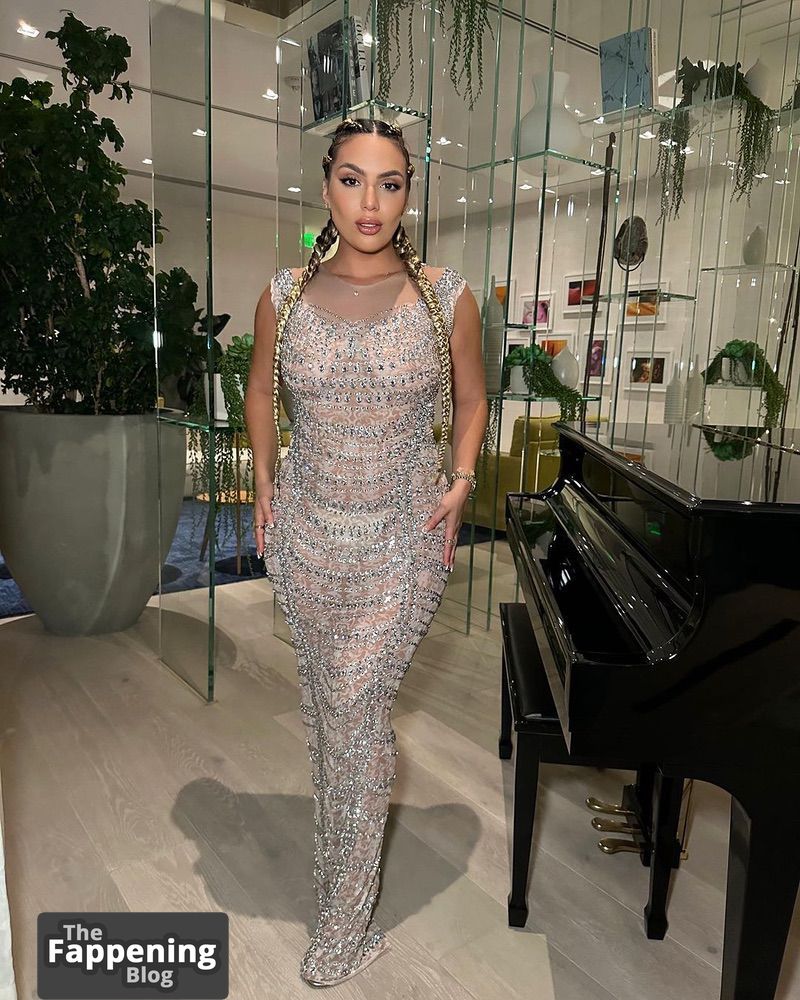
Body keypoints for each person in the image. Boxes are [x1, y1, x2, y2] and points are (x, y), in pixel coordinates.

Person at [244, 117, 487, 987]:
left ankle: (345, 923)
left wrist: (462, 477)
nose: (370, 202)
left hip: (403, 539)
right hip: (308, 537)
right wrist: (263, 478)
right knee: (329, 711)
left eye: (390, 183)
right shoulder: (282, 294)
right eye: (352, 180)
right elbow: (259, 389)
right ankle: (338, 876)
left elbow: (472, 400)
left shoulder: (446, 296)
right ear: (326, 187)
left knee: (357, 706)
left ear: (409, 192)